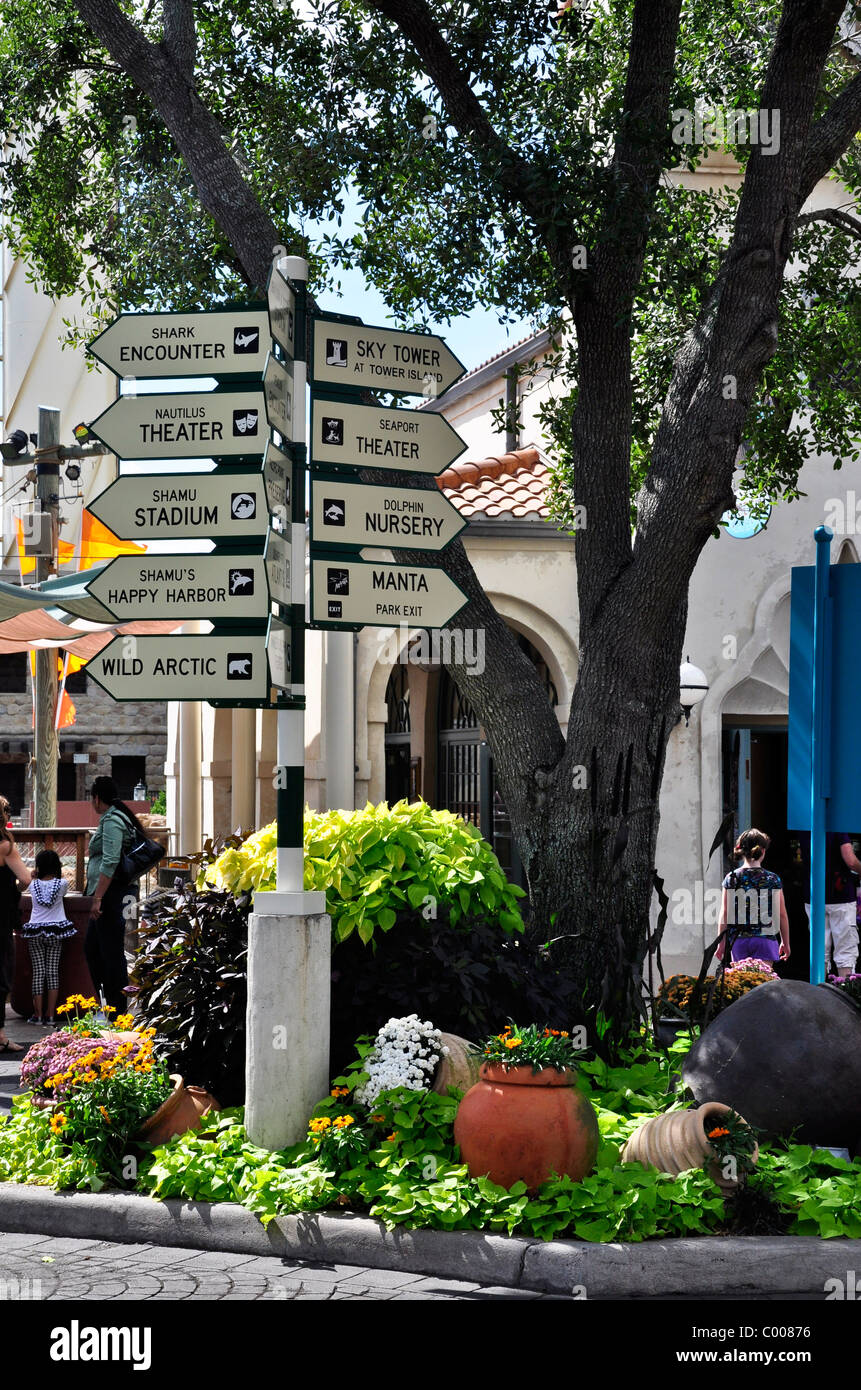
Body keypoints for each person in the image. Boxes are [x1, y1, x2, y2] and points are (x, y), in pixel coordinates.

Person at [84, 775, 145, 1015]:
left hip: (109, 897)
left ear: (97, 798)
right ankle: (106, 1002)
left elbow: (109, 861)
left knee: (110, 953)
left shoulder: (112, 822)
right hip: (107, 896)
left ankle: (117, 1009)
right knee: (94, 949)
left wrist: (97, 897)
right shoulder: (114, 819)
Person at [716, 828, 790, 966]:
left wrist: (721, 943)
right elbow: (781, 914)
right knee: (763, 984)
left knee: (743, 984)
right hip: (765, 940)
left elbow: (725, 913)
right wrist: (785, 942)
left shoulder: (731, 878)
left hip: (739, 940)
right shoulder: (772, 879)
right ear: (762, 851)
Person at [22, 849, 75, 1027]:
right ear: (57, 866)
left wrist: (33, 876)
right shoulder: (62, 884)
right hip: (56, 930)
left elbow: (19, 889)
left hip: (35, 931)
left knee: (38, 972)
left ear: (39, 867)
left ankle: (37, 1016)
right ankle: (50, 1015)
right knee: (52, 972)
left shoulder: (32, 884)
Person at [800, 830, 861, 978]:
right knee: (845, 950)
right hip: (841, 896)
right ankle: (846, 992)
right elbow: (851, 861)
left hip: (814, 895)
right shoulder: (839, 828)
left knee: (819, 950)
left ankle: (819, 992)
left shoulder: (806, 826)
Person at [0, 795, 31, 1053]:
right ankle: (0, 1037)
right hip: (0, 917)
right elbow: (26, 878)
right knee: (1, 974)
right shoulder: (5, 845)